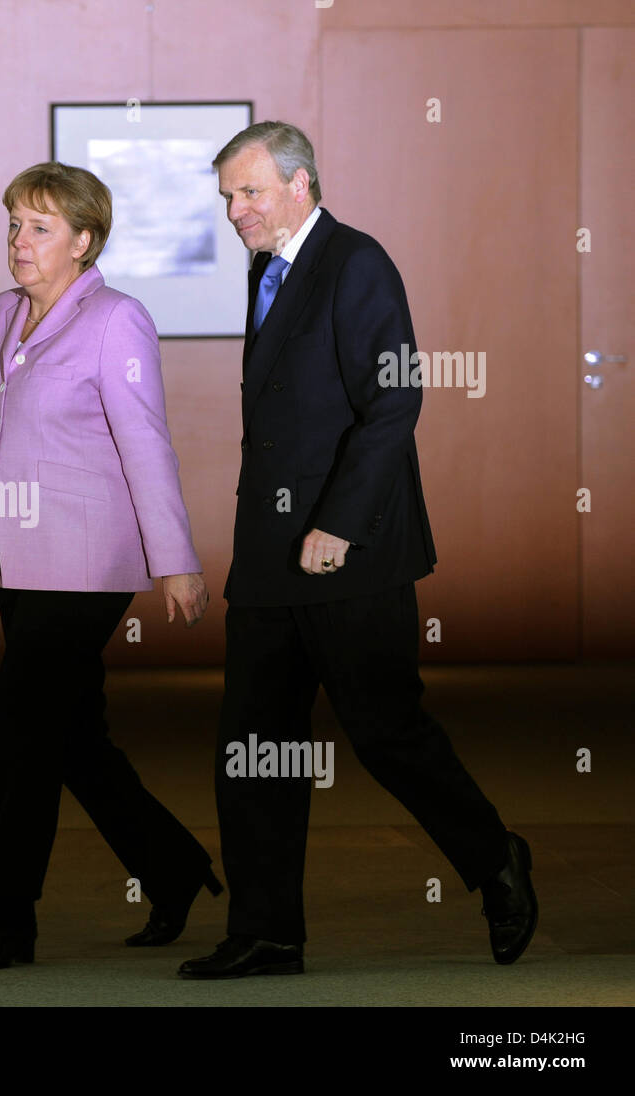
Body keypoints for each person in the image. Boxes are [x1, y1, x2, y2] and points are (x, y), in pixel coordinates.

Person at [179, 122, 537, 980]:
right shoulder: (269, 268)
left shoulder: (357, 262)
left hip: (352, 551)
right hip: (269, 558)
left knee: (385, 733)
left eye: (249, 192)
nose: (234, 211)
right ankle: (267, 934)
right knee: (254, 747)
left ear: (300, 185)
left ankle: (495, 861)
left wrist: (335, 526)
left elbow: (393, 403)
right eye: (227, 195)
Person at [0, 162, 220, 971]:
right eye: (15, 223)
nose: (18, 241)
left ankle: (5, 922)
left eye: (39, 228)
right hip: (11, 558)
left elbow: (145, 445)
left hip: (87, 565)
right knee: (72, 739)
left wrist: (177, 562)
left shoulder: (117, 320)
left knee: (16, 732)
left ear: (84, 241)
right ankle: (175, 869)